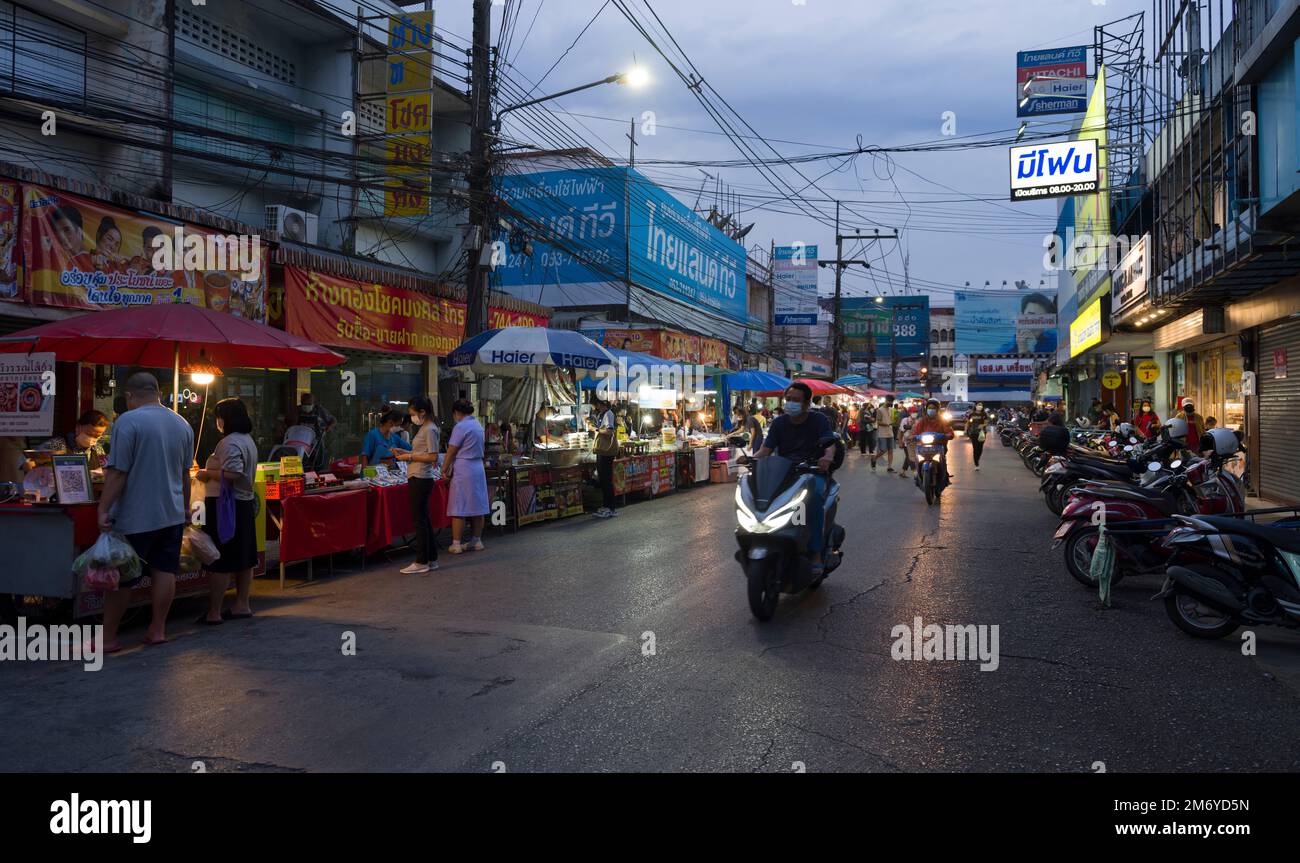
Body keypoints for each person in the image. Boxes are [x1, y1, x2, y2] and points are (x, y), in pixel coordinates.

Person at [95, 372, 193, 652]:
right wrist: (185, 507)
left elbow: (118, 472)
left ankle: (108, 637)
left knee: (123, 578)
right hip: (171, 513)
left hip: (135, 515)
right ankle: (157, 629)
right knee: (165, 571)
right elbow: (185, 474)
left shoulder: (128, 421)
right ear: (158, 393)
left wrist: (103, 508)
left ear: (129, 396)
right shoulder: (181, 423)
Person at [750, 382, 836, 576]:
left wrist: (827, 457)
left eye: (795, 400)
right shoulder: (779, 423)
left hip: (813, 471)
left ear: (806, 403)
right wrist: (751, 459)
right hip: (785, 472)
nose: (790, 403)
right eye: (788, 399)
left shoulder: (819, 420)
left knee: (811, 500)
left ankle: (814, 553)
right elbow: (766, 449)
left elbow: (830, 444)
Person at [195, 398, 258, 624]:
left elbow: (233, 473)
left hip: (226, 505)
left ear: (226, 419)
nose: (217, 422)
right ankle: (242, 604)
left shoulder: (229, 442)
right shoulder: (246, 440)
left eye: (218, 417)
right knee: (243, 557)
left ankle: (214, 612)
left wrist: (206, 473)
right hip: (242, 504)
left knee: (219, 559)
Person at [391, 396, 441, 573]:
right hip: (417, 475)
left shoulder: (429, 429)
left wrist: (409, 457)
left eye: (413, 414)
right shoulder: (424, 428)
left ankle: (421, 561)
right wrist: (406, 452)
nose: (412, 417)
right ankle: (431, 558)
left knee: (420, 520)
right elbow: (423, 452)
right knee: (424, 520)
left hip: (421, 477)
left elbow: (433, 456)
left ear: (422, 412)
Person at [443, 399, 490, 552]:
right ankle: (477, 541)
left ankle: (456, 544)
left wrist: (444, 468)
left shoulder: (460, 426)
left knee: (459, 505)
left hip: (464, 467)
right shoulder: (478, 425)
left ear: (457, 412)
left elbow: (451, 450)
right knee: (478, 505)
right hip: (477, 467)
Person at [906, 398, 956, 488]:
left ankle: (945, 476)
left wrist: (946, 435)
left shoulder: (942, 421)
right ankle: (918, 475)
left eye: (933, 408)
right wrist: (913, 436)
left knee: (942, 460)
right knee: (918, 459)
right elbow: (915, 432)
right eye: (929, 408)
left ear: (937, 409)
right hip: (924, 446)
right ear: (926, 409)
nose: (931, 410)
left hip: (939, 445)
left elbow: (950, 432)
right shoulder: (923, 421)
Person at [38, 409, 110, 470]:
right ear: (78, 428)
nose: (93, 439)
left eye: (97, 436)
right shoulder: (55, 445)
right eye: (89, 434)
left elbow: (103, 471)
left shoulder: (97, 449)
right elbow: (38, 466)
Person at [592, 397, 618, 518]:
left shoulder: (609, 414)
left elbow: (609, 431)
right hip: (602, 451)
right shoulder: (603, 414)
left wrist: (596, 429)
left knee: (606, 480)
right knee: (603, 479)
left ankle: (610, 508)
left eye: (597, 405)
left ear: (601, 404)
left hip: (606, 451)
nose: (596, 407)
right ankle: (606, 506)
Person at [296, 393, 335, 470]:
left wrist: (328, 428)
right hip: (301, 442)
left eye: (309, 404)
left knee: (318, 463)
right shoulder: (298, 410)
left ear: (313, 403)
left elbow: (333, 421)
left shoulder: (319, 410)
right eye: (304, 404)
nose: (306, 406)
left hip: (317, 442)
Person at [872, 395, 897, 473]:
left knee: (891, 450)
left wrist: (892, 423)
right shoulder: (880, 410)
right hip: (882, 434)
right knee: (883, 450)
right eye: (890, 402)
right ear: (886, 400)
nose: (891, 403)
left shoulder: (890, 410)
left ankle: (889, 467)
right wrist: (887, 424)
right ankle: (874, 459)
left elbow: (889, 420)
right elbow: (878, 422)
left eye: (892, 402)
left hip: (890, 433)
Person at [966, 401, 990, 471]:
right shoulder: (971, 414)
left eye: (981, 405)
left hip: (982, 433)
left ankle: (977, 459)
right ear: (975, 406)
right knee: (975, 448)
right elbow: (968, 422)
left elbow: (986, 422)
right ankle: (976, 464)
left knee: (980, 449)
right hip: (973, 433)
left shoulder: (984, 414)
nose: (980, 406)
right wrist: (966, 430)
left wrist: (982, 425)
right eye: (978, 405)